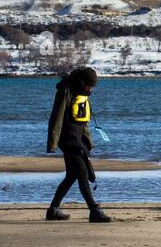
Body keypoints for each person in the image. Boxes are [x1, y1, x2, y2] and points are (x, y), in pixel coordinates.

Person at [45, 66, 112, 223]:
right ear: (82, 83)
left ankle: (53, 210)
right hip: (67, 139)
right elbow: (56, 119)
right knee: (82, 173)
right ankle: (94, 210)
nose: (91, 89)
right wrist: (53, 144)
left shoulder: (82, 94)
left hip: (78, 139)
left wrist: (88, 142)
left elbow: (84, 123)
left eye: (92, 86)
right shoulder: (65, 92)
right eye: (89, 86)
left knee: (72, 175)